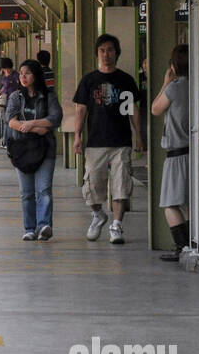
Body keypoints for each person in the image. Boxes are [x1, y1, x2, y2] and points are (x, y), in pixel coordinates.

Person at [73, 34, 142, 244]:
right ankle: (98, 214)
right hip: (95, 141)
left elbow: (132, 109)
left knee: (121, 184)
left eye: (110, 50)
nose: (106, 54)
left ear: (117, 53)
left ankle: (117, 225)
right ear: (97, 54)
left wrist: (138, 135)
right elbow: (81, 110)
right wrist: (77, 136)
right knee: (92, 184)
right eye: (102, 50)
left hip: (120, 140)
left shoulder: (125, 80)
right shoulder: (89, 80)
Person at [6, 59, 63, 242]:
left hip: (45, 149)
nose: (23, 77)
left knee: (44, 189)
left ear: (36, 76)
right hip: (22, 149)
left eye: (27, 73)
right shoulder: (16, 97)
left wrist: (30, 123)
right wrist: (36, 128)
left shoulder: (48, 96)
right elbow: (10, 120)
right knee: (26, 192)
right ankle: (30, 228)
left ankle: (44, 225)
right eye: (21, 73)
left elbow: (55, 118)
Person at [151, 44, 191, 261]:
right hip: (196, 152)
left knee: (170, 203)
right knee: (190, 203)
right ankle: (196, 242)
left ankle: (182, 246)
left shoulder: (174, 87)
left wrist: (166, 83)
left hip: (176, 154)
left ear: (174, 66)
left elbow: (155, 109)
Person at [0, 57, 20, 146]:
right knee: (6, 121)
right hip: (5, 100)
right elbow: (4, 88)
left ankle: (8, 141)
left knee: (10, 121)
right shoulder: (4, 75)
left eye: (7, 68)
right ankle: (6, 141)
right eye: (4, 69)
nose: (6, 70)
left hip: (14, 100)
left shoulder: (16, 75)